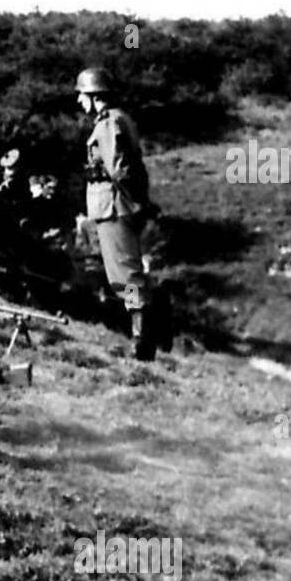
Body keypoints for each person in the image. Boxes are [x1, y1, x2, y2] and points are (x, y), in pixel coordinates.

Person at [75, 66, 167, 360]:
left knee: (125, 276)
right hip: (116, 205)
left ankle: (142, 343)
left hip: (113, 207)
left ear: (94, 96)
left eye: (82, 95)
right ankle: (142, 339)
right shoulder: (119, 119)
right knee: (126, 274)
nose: (79, 102)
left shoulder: (108, 124)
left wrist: (135, 204)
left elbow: (119, 170)